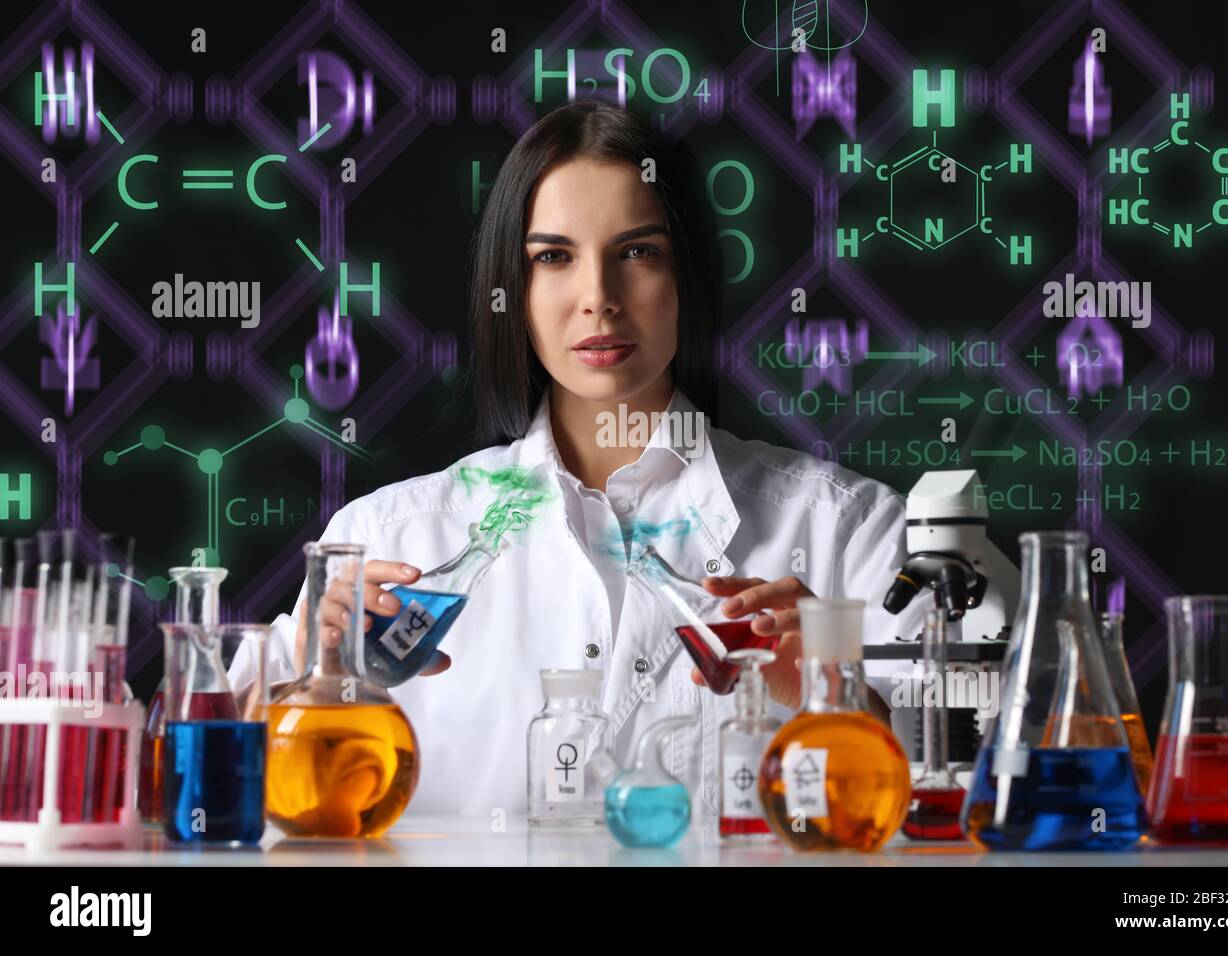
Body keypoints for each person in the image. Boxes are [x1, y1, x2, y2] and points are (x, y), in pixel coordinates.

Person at [258, 100, 928, 819]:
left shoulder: (849, 532)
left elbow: (1001, 793)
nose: (598, 299)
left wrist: (844, 698)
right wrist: (309, 667)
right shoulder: (390, 540)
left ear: (688, 276)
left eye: (639, 252)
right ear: (511, 292)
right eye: (553, 257)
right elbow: (208, 774)